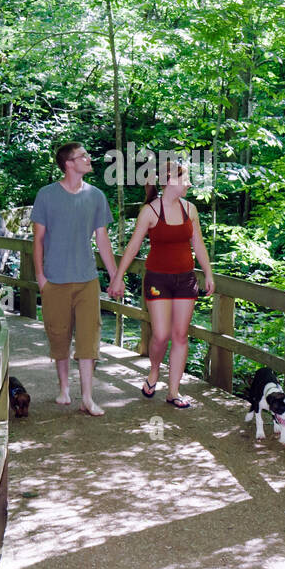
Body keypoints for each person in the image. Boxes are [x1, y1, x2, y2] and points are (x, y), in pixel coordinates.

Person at [107, 159, 214, 408]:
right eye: (184, 178)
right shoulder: (151, 211)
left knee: (180, 335)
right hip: (158, 280)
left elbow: (198, 244)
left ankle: (173, 391)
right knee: (162, 335)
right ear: (169, 182)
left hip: (186, 279)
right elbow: (133, 246)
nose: (188, 183)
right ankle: (154, 370)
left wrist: (208, 273)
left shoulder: (191, 210)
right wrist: (118, 276)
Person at [32, 142, 119, 416]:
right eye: (82, 156)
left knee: (88, 339)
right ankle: (63, 388)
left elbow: (103, 241)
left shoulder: (96, 196)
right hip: (54, 279)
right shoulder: (46, 195)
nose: (88, 159)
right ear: (68, 164)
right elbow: (38, 240)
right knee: (59, 336)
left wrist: (115, 276)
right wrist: (40, 277)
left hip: (86, 279)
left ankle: (87, 397)